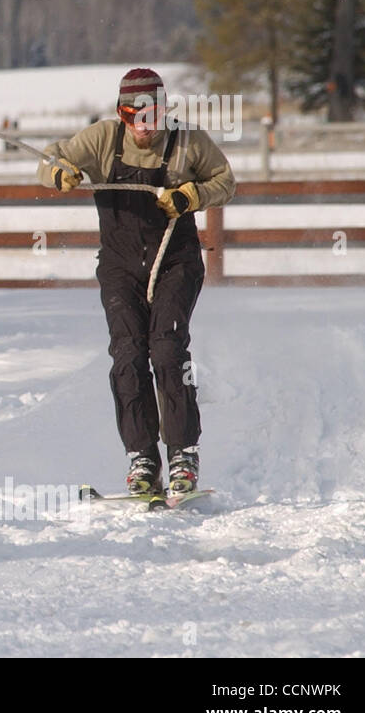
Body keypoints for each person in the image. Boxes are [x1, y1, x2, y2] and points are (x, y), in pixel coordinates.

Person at [37, 68, 235, 494]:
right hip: (120, 267)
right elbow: (51, 159)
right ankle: (142, 457)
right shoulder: (103, 140)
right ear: (121, 114)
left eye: (155, 115)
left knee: (166, 349)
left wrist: (190, 196)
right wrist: (60, 174)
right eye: (135, 115)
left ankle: (183, 453)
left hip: (175, 262)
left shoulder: (188, 143)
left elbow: (225, 181)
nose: (146, 126)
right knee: (128, 355)